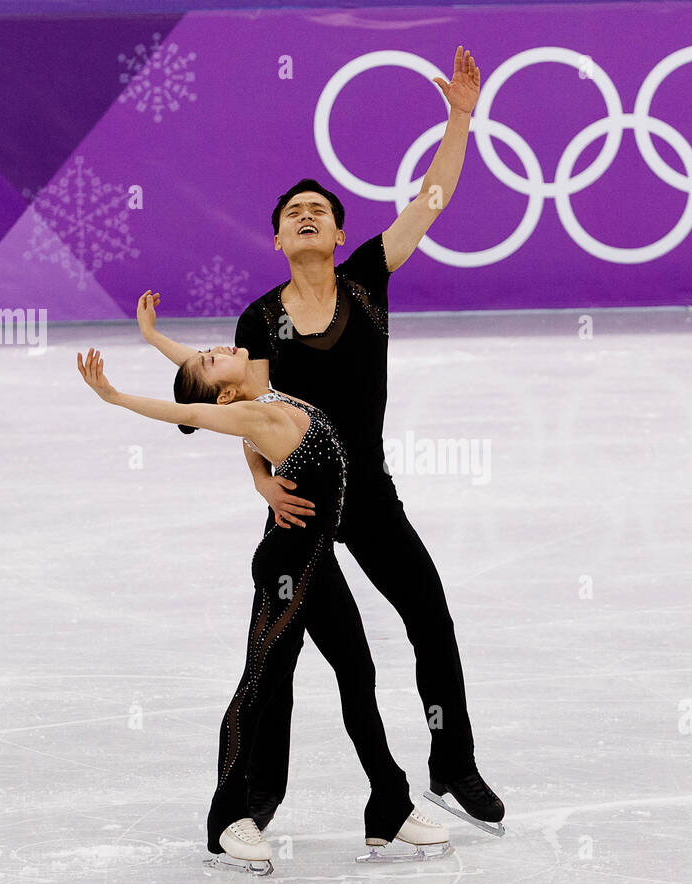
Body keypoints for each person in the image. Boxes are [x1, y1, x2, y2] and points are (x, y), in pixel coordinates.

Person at [234, 46, 505, 835]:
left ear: (341, 231)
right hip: (301, 504)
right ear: (280, 241)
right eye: (292, 214)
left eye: (318, 208)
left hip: (371, 496)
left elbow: (434, 198)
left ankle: (451, 765)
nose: (306, 215)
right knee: (277, 655)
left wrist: (460, 119)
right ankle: (259, 791)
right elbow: (243, 410)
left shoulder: (367, 281)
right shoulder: (259, 318)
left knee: (432, 616)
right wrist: (259, 481)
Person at [76, 319, 451, 875]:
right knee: (259, 684)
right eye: (209, 360)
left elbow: (203, 381)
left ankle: (388, 805)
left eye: (207, 351)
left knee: (358, 670)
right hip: (288, 568)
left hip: (314, 565)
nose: (215, 349)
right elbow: (192, 411)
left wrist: (156, 340)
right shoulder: (252, 413)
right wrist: (114, 397)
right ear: (226, 393)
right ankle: (225, 818)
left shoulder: (259, 390)